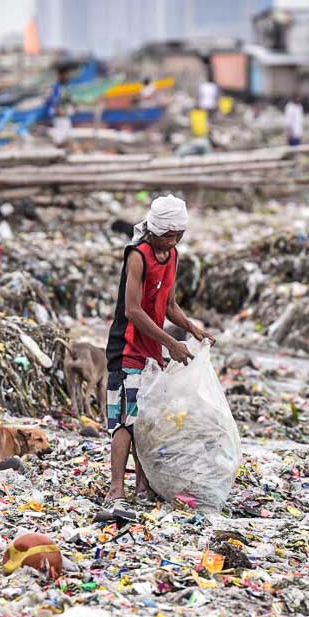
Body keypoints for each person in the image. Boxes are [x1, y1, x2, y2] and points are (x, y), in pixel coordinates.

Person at [102, 195, 211, 518]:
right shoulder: (139, 256)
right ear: (154, 230)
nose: (174, 240)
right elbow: (133, 311)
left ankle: (143, 487)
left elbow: (169, 305)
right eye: (169, 234)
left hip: (151, 350)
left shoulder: (172, 255)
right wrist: (171, 343)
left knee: (146, 420)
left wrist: (192, 329)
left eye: (179, 234)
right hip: (127, 348)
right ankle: (116, 490)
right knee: (124, 420)